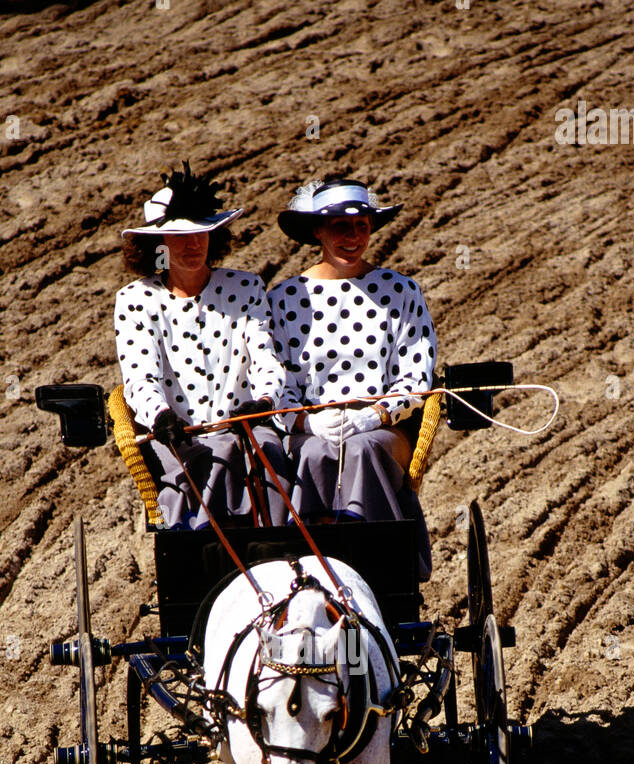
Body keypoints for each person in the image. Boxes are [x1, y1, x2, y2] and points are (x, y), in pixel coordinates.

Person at [267, 176, 437, 576]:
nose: (353, 236)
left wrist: (371, 416)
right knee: (311, 453)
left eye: (361, 225)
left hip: (382, 428)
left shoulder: (401, 291)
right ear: (317, 231)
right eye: (340, 226)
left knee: (362, 449)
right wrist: (307, 420)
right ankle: (305, 567)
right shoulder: (285, 299)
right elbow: (276, 382)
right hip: (311, 429)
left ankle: (381, 570)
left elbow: (416, 377)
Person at [116, 164, 291, 527]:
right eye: (180, 237)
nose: (194, 244)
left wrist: (263, 402)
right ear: (158, 245)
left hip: (244, 425)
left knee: (271, 456)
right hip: (176, 434)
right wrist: (161, 416)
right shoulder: (135, 300)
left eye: (202, 233)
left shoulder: (246, 288)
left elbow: (265, 358)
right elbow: (139, 377)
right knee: (209, 459)